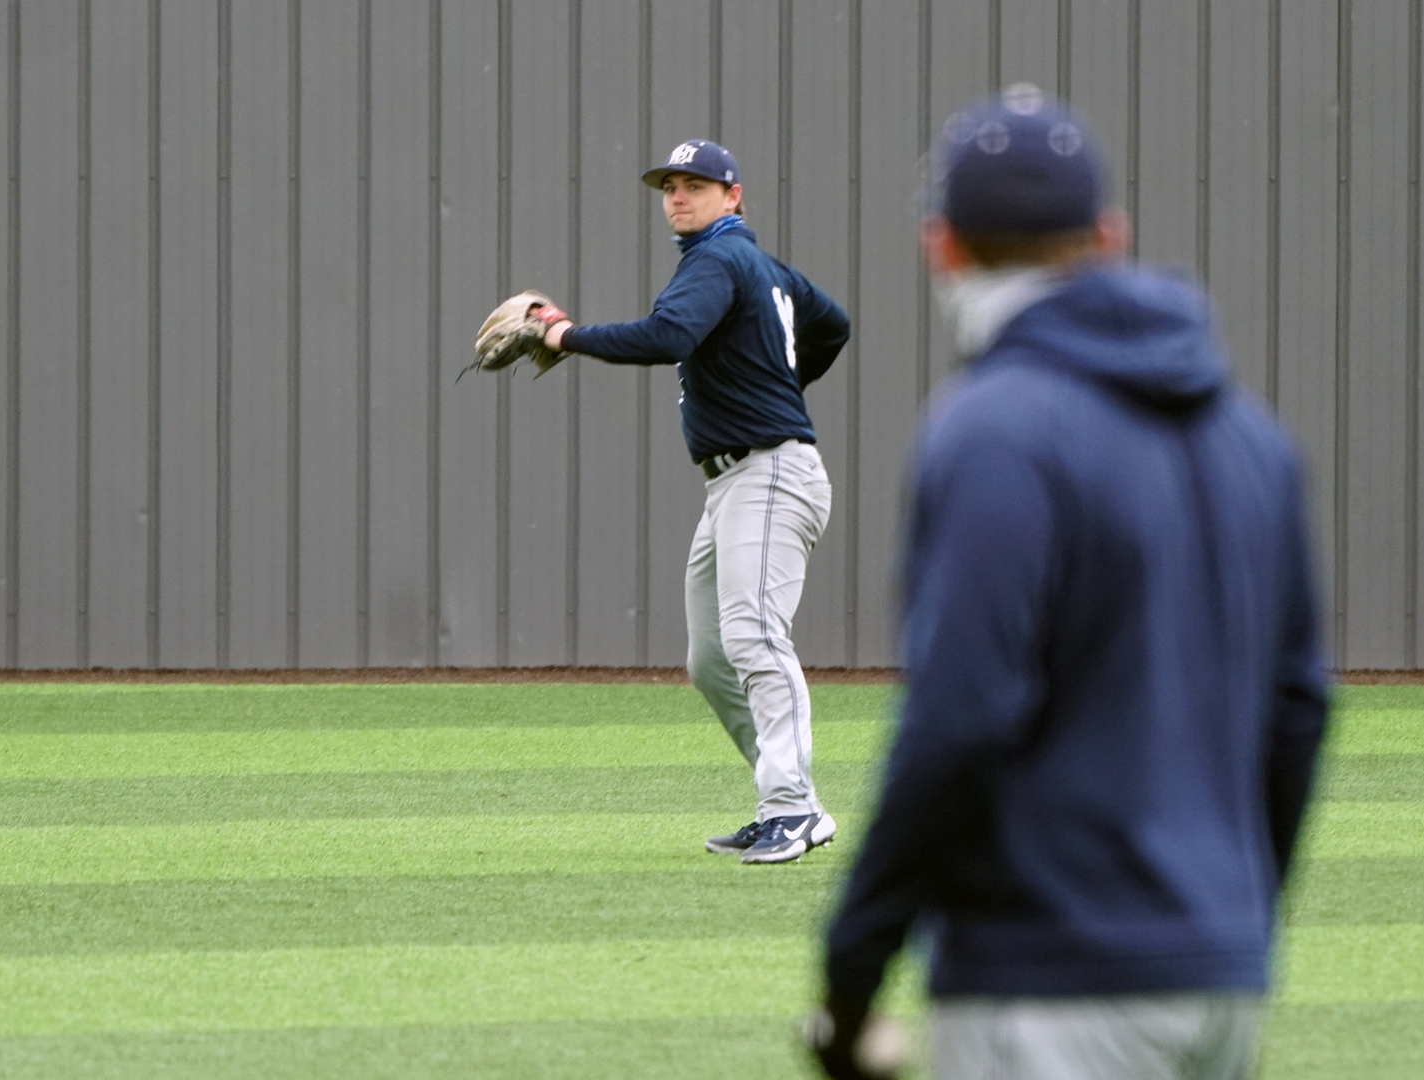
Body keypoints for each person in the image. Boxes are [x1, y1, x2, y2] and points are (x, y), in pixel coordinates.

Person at [808, 86, 1330, 1080]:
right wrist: (1231, 916)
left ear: (942, 245)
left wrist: (853, 965)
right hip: (1218, 978)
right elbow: (1297, 708)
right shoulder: (1255, 438)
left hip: (1048, 978)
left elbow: (959, 719)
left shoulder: (992, 427)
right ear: (1109, 233)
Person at [535, 139, 849, 865]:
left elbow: (668, 336)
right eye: (670, 186)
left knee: (755, 638)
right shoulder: (760, 268)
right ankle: (786, 797)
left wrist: (566, 334)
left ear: (732, 196)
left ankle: (793, 809)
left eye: (697, 185)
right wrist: (773, 377)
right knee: (712, 658)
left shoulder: (718, 259)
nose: (679, 197)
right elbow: (832, 324)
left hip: (769, 474)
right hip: (736, 485)